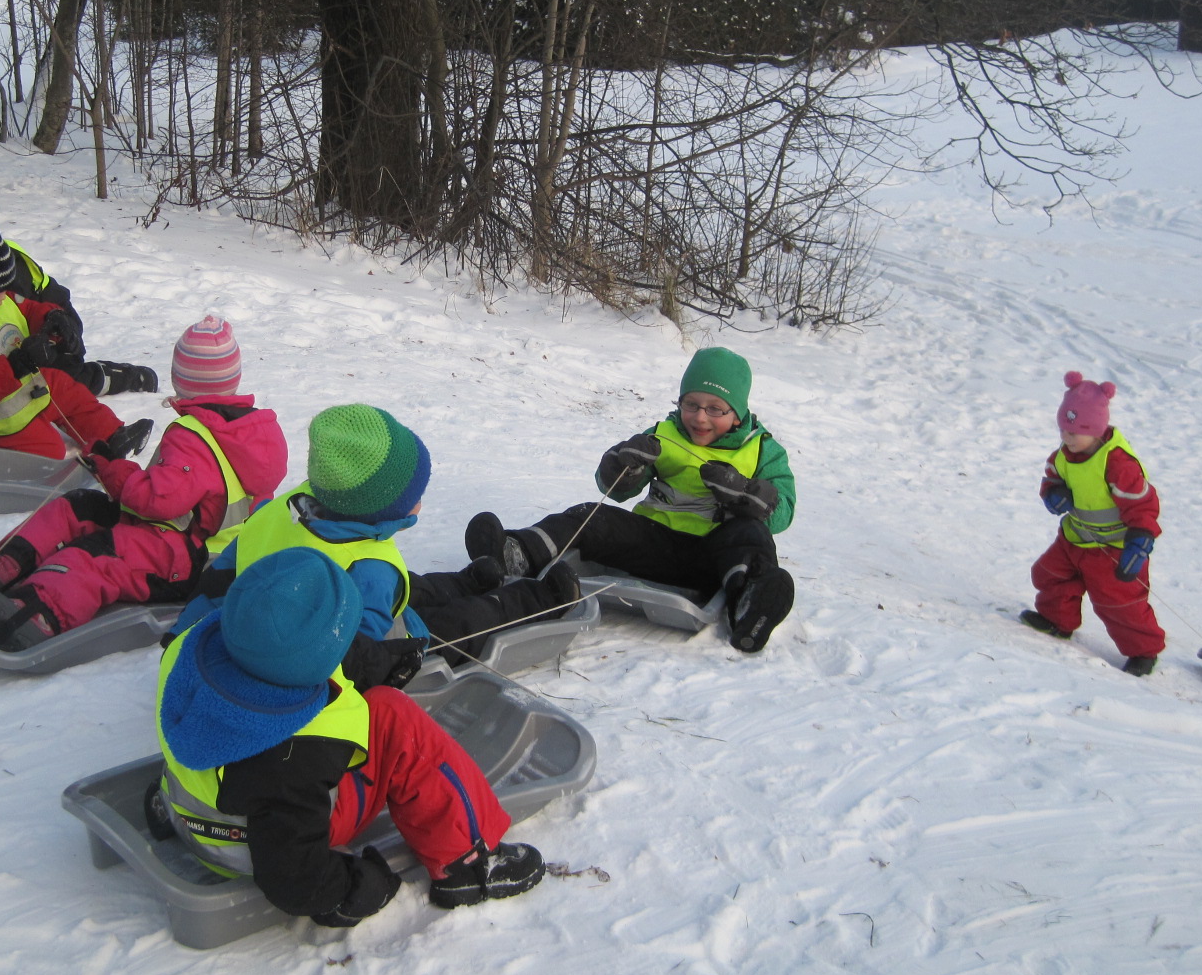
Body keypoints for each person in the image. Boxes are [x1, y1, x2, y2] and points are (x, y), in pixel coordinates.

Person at [153, 546, 546, 924]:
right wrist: (353, 888)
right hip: (248, 845)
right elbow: (292, 878)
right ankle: (470, 864)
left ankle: (159, 801)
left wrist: (386, 661)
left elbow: (327, 652)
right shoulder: (294, 752)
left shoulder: (200, 648)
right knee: (394, 718)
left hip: (186, 806)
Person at [0, 317, 288, 652]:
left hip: (195, 559)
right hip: (186, 539)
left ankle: (32, 617)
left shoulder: (194, 435)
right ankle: (3, 567)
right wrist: (111, 465)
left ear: (179, 380)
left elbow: (158, 498)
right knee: (80, 506)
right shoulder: (248, 431)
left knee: (99, 555)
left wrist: (113, 470)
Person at [169, 403, 581, 669]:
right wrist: (398, 661)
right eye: (412, 498)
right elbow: (358, 652)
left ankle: (467, 582)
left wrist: (185, 631)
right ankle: (540, 599)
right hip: (386, 642)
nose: (419, 504)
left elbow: (223, 573)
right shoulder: (369, 566)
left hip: (316, 606)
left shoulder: (282, 510)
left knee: (415, 586)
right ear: (376, 507)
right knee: (467, 621)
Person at [465, 347, 796, 653]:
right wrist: (626, 464)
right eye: (691, 404)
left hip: (713, 558)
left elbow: (782, 512)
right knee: (592, 516)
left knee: (752, 537)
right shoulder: (664, 434)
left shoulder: (761, 449)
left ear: (737, 414)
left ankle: (752, 602)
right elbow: (615, 488)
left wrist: (745, 493)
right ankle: (515, 553)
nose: (700, 418)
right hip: (653, 546)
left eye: (715, 409)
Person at [0, 221, 150, 461]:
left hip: (15, 385)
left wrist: (53, 318)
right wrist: (20, 363)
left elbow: (28, 308)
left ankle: (112, 436)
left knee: (62, 387)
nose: (4, 296)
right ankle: (66, 468)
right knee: (49, 451)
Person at [0, 220, 157, 396]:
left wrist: (31, 353)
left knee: (58, 379)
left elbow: (13, 326)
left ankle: (121, 377)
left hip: (56, 314)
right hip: (34, 312)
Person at [1020, 371, 1164, 676]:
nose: (1067, 438)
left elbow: (1142, 505)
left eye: (1075, 432)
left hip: (1114, 549)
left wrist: (1140, 540)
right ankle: (1057, 621)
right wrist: (1053, 494)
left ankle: (1143, 651)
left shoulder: (1118, 464)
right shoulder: (1062, 455)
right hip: (1074, 539)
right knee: (1048, 575)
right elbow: (1052, 478)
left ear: (1096, 430)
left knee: (1119, 603)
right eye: (1063, 430)